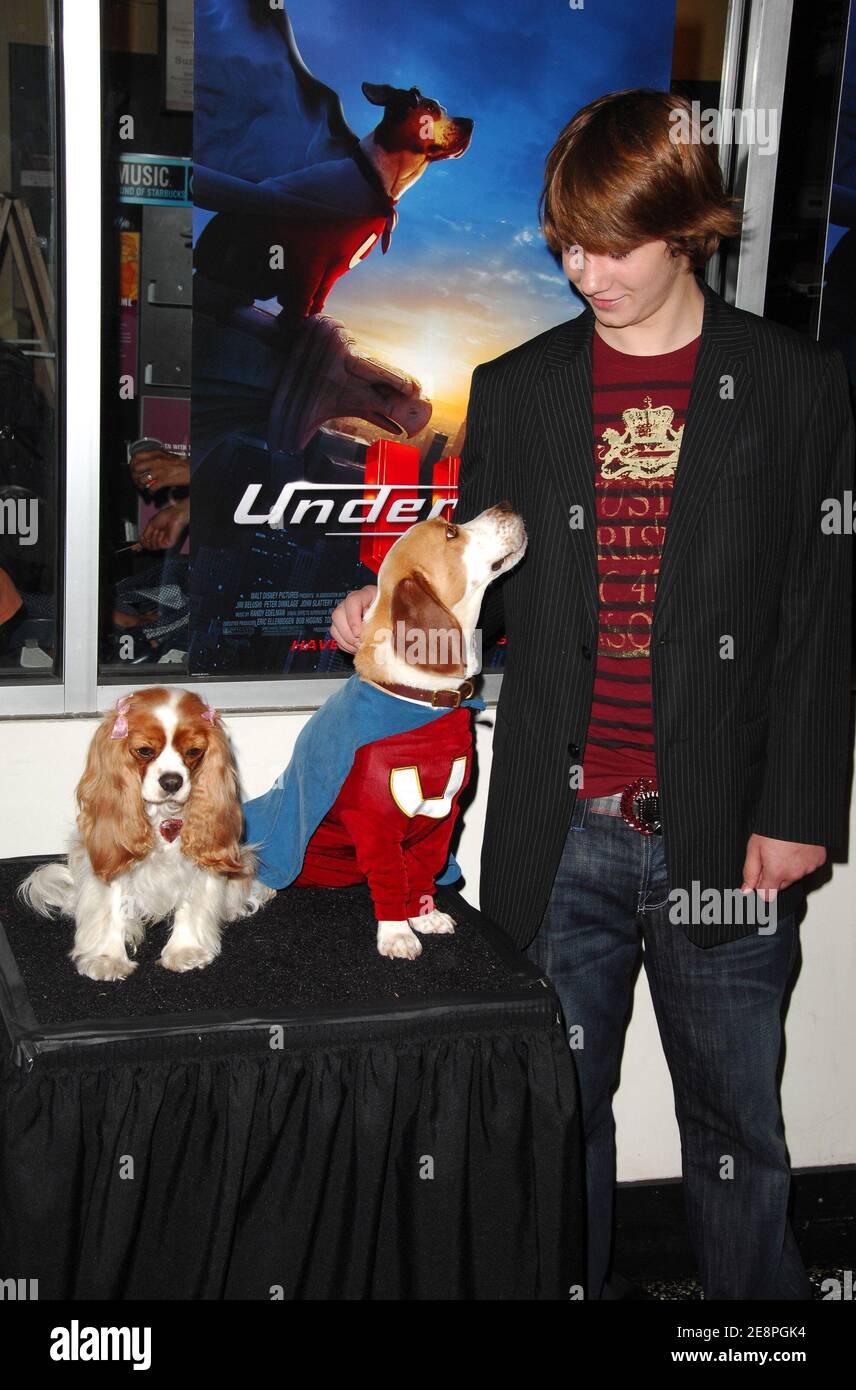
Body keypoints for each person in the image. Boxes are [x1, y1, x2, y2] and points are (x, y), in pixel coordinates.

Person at [329, 88, 855, 1300]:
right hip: (556, 829)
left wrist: (798, 807)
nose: (584, 271)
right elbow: (484, 588)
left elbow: (818, 612)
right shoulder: (516, 388)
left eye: (612, 244)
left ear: (690, 227)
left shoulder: (790, 384)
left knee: (736, 1134)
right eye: (566, 243)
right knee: (552, 1122)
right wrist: (393, 613)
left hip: (725, 825)